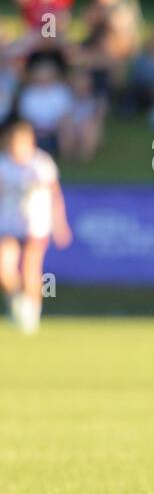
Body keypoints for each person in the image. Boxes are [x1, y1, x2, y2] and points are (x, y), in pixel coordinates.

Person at [0, 120, 72, 334]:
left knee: (31, 269)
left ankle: (32, 311)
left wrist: (59, 224)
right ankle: (17, 301)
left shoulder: (40, 164)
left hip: (36, 224)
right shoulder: (3, 164)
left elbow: (55, 194)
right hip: (9, 224)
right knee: (5, 269)